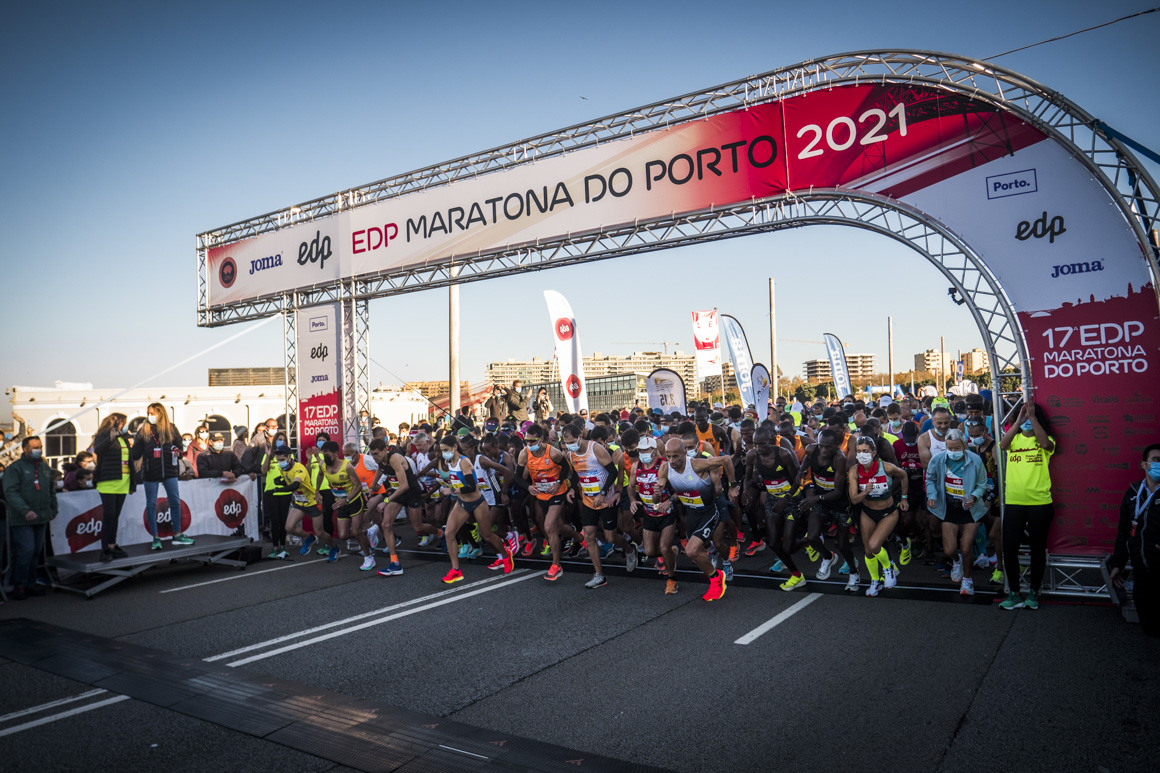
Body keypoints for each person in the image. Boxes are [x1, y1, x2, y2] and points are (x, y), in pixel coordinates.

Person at [661, 437, 737, 601]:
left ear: (685, 453)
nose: (672, 461)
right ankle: (714, 570)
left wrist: (732, 486)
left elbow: (725, 460)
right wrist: (661, 492)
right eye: (668, 456)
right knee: (696, 551)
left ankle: (721, 573)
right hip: (692, 514)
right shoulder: (665, 467)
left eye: (676, 456)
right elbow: (661, 484)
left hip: (709, 511)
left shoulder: (696, 464)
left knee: (699, 548)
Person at [998, 400, 1055, 611]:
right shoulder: (1014, 439)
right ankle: (1014, 593)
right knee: (1009, 549)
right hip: (1014, 502)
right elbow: (1003, 445)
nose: (1027, 422)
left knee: (1037, 550)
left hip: (1040, 502)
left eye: (1031, 417)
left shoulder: (1045, 439)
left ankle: (1033, 592)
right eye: (1023, 417)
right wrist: (1019, 420)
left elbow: (1047, 445)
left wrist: (1032, 417)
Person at [561, 422, 633, 589]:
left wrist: (603, 493)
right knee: (589, 535)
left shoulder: (595, 449)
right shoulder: (570, 455)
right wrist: (572, 489)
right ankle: (599, 574)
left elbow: (613, 472)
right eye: (566, 443)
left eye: (571, 442)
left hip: (606, 498)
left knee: (610, 537)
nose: (569, 446)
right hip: (588, 500)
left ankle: (629, 550)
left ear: (580, 437)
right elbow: (577, 475)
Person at [440, 434, 512, 584]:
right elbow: (458, 483)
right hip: (462, 503)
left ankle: (506, 555)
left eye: (445, 449)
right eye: (442, 450)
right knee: (449, 533)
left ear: (454, 447)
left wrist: (452, 491)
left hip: (478, 502)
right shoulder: (450, 461)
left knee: (487, 535)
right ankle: (455, 570)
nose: (443, 453)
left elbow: (471, 487)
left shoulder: (464, 461)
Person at [925, 429, 988, 596]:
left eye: (957, 448)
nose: (953, 452)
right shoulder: (938, 459)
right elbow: (930, 479)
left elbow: (982, 484)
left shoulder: (975, 460)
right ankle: (956, 561)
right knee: (949, 550)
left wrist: (974, 497)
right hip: (949, 507)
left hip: (970, 509)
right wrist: (932, 495)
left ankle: (967, 580)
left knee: (966, 548)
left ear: (965, 445)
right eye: (950, 448)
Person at [849, 435, 910, 597]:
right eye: (859, 451)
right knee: (868, 551)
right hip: (868, 512)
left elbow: (903, 475)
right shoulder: (854, 471)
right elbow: (854, 500)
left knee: (875, 545)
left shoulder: (887, 467)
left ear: (874, 452)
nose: (862, 455)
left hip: (887, 513)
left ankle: (888, 568)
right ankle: (875, 581)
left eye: (866, 451)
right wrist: (865, 492)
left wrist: (904, 498)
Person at [1109, 443, 1160, 637]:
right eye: (1156, 461)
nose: (1159, 464)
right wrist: (1117, 565)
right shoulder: (1132, 493)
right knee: (1148, 625)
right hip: (1141, 572)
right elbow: (1124, 532)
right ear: (1144, 465)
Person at [745, 427, 803, 591]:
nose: (757, 448)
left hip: (791, 498)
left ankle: (809, 540)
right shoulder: (752, 455)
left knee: (788, 547)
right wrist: (744, 491)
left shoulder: (783, 454)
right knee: (773, 542)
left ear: (770, 441)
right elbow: (748, 478)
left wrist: (787, 498)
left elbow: (797, 480)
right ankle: (797, 575)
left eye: (761, 444)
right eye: (755, 444)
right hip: (772, 499)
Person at [517, 422, 576, 580]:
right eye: (527, 441)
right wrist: (528, 487)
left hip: (557, 492)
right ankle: (580, 538)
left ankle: (556, 565)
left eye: (532, 441)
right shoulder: (524, 453)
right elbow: (517, 477)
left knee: (549, 526)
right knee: (560, 528)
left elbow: (566, 468)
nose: (529, 444)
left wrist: (557, 483)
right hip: (541, 494)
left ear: (541, 439)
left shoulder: (554, 453)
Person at [2, 436, 57, 599]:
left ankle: (31, 583)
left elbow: (50, 490)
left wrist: (53, 509)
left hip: (41, 517)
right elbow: (10, 492)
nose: (38, 450)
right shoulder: (15, 468)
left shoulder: (44, 468)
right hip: (22, 518)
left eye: (39, 447)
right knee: (26, 550)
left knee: (36, 552)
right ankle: (19, 585)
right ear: (25, 449)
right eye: (34, 447)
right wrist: (25, 510)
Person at [135, 403, 193, 549]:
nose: (150, 416)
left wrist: (176, 451)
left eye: (153, 413)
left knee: (175, 502)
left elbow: (180, 446)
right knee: (151, 505)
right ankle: (155, 538)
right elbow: (135, 454)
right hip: (150, 472)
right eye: (148, 413)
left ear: (161, 413)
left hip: (169, 471)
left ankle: (177, 534)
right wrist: (136, 440)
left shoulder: (171, 428)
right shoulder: (144, 430)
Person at [627, 435, 679, 594]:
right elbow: (630, 486)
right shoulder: (636, 466)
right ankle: (671, 552)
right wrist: (632, 501)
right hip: (649, 512)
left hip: (666, 512)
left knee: (664, 546)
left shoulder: (665, 465)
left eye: (645, 450)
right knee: (649, 551)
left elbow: (680, 487)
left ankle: (672, 580)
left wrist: (670, 500)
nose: (642, 453)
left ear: (654, 450)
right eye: (640, 450)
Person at [319, 441, 373, 569]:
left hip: (353, 501)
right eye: (324, 455)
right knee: (343, 535)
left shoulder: (347, 466)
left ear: (336, 454)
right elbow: (320, 476)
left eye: (328, 455)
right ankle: (368, 532)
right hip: (340, 502)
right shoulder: (323, 465)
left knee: (356, 531)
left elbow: (358, 486)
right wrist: (317, 492)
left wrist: (347, 500)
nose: (326, 458)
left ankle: (369, 558)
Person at [92, 413, 135, 561]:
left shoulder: (124, 438)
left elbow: (129, 460)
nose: (125, 426)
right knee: (109, 516)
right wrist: (111, 436)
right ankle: (104, 549)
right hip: (108, 482)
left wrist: (132, 484)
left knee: (115, 516)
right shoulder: (103, 435)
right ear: (115, 423)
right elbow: (98, 450)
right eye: (124, 423)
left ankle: (112, 545)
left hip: (123, 481)